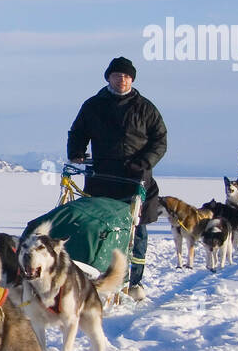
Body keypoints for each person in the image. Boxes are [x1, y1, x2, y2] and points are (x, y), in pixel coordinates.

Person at [67, 56, 167, 301]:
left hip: (136, 180)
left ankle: (134, 281)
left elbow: (160, 141)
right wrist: (77, 153)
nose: (121, 79)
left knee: (136, 230)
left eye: (126, 76)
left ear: (131, 79)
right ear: (108, 78)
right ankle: (97, 276)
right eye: (116, 75)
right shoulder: (93, 105)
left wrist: (143, 163)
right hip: (102, 178)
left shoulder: (145, 108)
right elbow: (78, 132)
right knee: (99, 229)